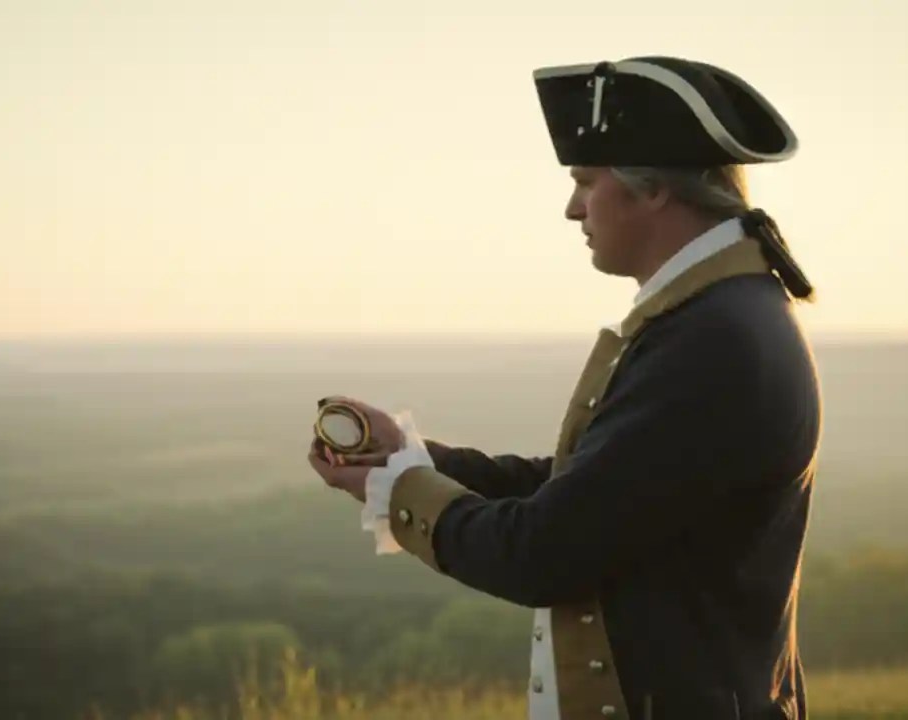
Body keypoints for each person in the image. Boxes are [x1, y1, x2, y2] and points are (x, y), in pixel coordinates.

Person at [308, 55, 822, 720]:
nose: (572, 208)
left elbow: (543, 552)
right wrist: (414, 457)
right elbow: (592, 489)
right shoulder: (722, 315)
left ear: (652, 190)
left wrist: (398, 490)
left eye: (585, 180)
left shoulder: (712, 338)